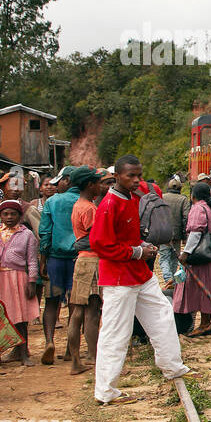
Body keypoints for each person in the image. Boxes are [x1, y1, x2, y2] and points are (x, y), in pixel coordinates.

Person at [89, 156, 192, 406]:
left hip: (138, 274)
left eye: (139, 175)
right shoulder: (109, 204)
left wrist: (142, 245)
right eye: (131, 176)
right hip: (119, 277)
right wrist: (136, 252)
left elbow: (130, 235)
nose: (136, 180)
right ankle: (105, 391)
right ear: (117, 177)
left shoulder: (132, 199)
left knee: (162, 314)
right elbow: (100, 243)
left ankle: (172, 366)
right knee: (116, 332)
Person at [0, 199, 40, 366]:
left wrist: (32, 281)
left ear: (20, 216)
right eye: (5, 214)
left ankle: (23, 354)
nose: (9, 217)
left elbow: (32, 260)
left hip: (18, 279)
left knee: (20, 319)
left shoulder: (26, 234)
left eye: (13, 214)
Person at [38, 167, 82, 365]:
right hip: (77, 259)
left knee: (51, 302)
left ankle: (49, 341)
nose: (56, 186)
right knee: (75, 305)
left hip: (55, 259)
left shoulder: (52, 202)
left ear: (66, 180)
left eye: (59, 182)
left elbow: (45, 233)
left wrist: (43, 260)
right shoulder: (85, 203)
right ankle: (70, 350)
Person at [173, 182, 211, 338]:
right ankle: (205, 323)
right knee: (207, 286)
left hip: (200, 256)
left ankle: (204, 325)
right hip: (209, 253)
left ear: (193, 195)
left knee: (200, 287)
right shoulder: (207, 207)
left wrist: (185, 253)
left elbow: (196, 233)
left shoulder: (197, 208)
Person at [66, 167, 103, 374]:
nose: (100, 186)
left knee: (77, 312)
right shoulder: (89, 208)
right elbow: (95, 238)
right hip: (92, 262)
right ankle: (96, 360)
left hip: (81, 262)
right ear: (90, 185)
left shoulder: (77, 205)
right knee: (92, 313)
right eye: (98, 182)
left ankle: (75, 362)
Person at [160, 176, 190, 290]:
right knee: (174, 257)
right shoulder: (183, 199)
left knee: (164, 257)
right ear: (180, 188)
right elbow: (186, 217)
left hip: (163, 233)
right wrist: (184, 235)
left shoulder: (162, 198)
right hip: (177, 234)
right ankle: (171, 279)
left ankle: (168, 279)